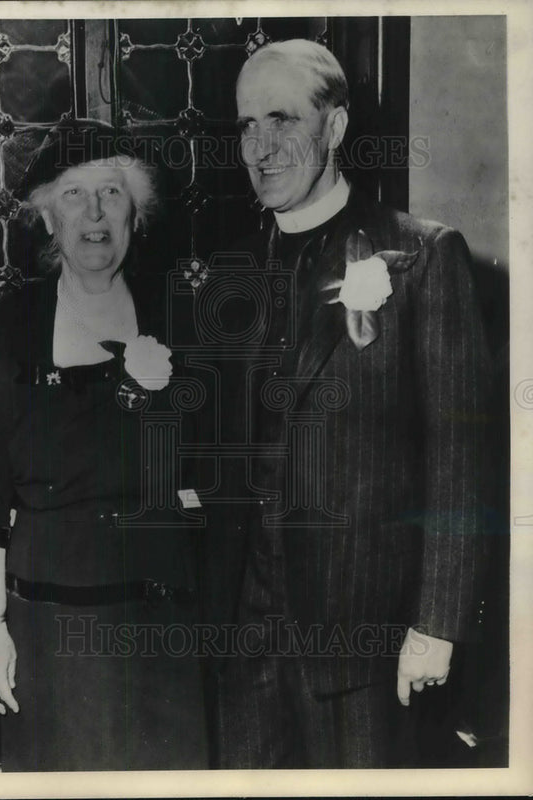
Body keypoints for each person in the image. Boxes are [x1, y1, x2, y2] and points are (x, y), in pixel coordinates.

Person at [205, 39, 491, 768]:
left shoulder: (422, 257)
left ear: (334, 128)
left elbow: (460, 457)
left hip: (368, 647)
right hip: (244, 644)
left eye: (281, 120)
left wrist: (438, 625)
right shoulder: (226, 269)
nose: (259, 148)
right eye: (244, 126)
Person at [0, 120, 207, 771]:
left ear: (136, 214)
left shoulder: (176, 313)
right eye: (74, 194)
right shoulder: (9, 325)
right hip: (51, 631)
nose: (95, 213)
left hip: (166, 623)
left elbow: (214, 466)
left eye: (112, 192)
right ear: (46, 219)